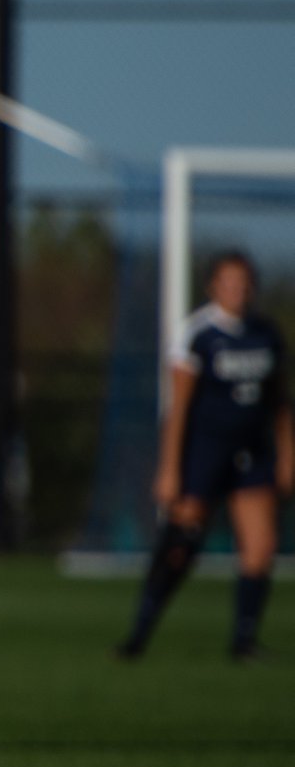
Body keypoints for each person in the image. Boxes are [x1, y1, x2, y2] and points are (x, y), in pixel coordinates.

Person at [118, 250, 292, 660]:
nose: (238, 289)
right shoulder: (198, 334)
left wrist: (288, 454)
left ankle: (244, 642)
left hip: (253, 451)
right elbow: (178, 408)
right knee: (182, 543)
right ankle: (139, 634)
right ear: (213, 286)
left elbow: (280, 403)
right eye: (229, 281)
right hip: (205, 451)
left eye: (244, 281)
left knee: (261, 546)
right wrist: (169, 468)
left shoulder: (266, 334)